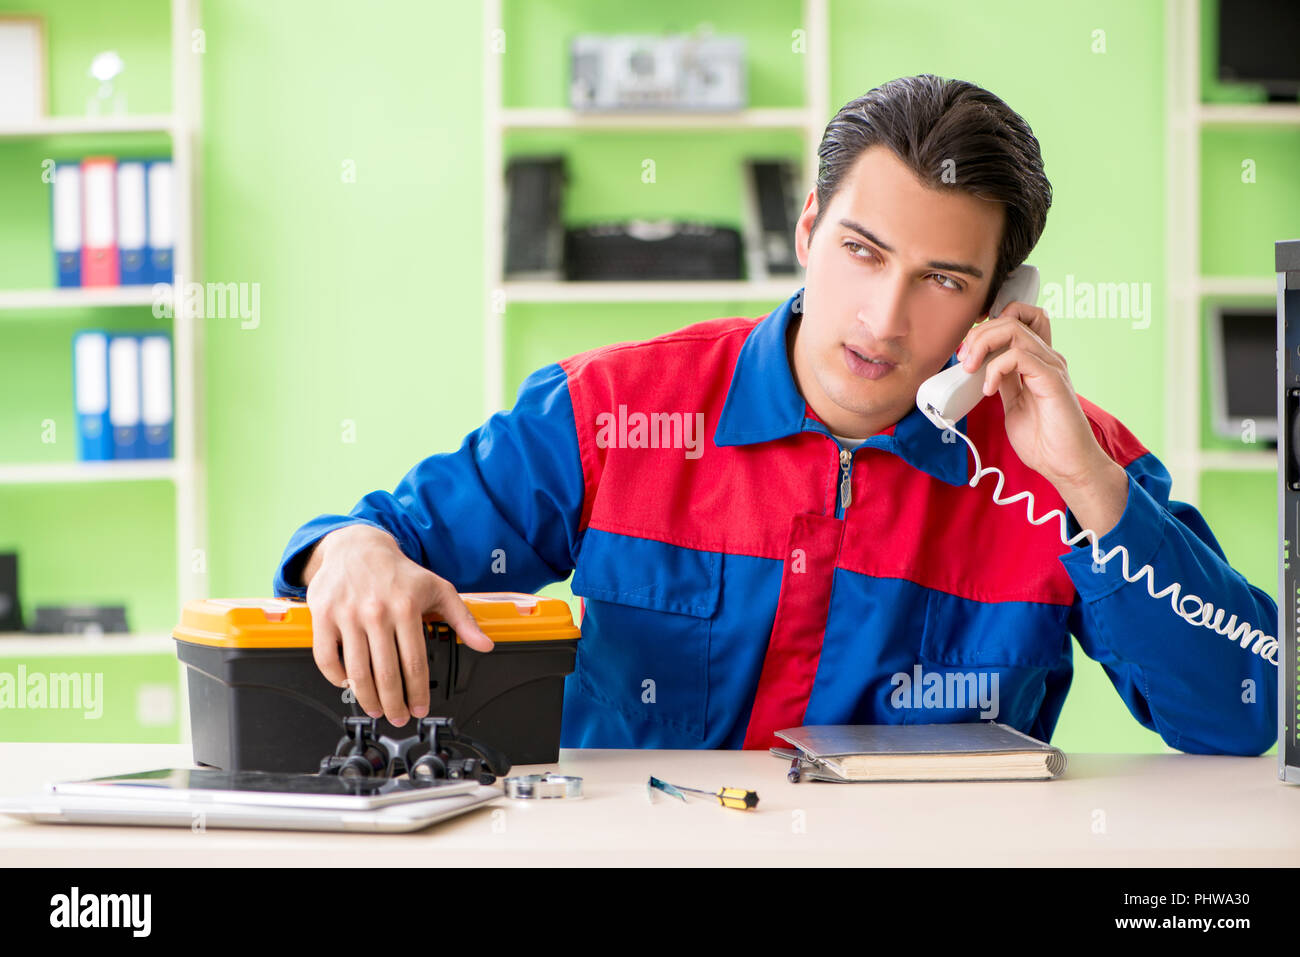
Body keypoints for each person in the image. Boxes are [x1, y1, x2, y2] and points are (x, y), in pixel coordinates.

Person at [274, 74, 1277, 756]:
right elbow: (378, 543)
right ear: (806, 228)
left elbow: (1242, 710)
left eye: (941, 278)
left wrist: (1091, 494)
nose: (883, 320)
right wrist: (352, 553)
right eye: (862, 250)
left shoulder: (1072, 465)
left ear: (999, 298)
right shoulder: (613, 410)